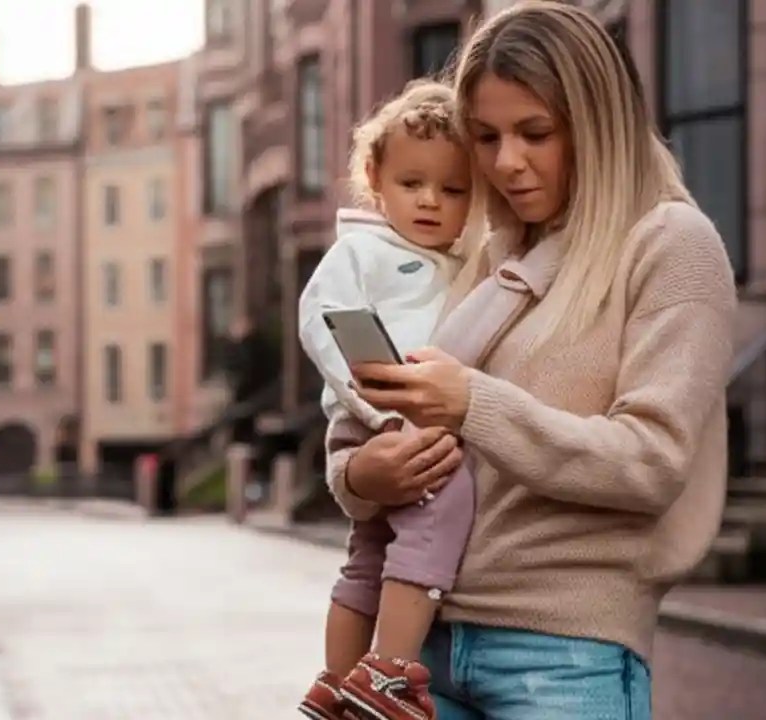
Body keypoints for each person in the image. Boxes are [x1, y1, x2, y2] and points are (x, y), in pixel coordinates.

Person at [325, 2, 738, 718]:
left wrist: (472, 404)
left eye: (535, 133)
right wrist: (361, 474)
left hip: (561, 659)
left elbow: (652, 460)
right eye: (484, 137)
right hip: (424, 657)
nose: (505, 162)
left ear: (597, 122)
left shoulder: (671, 245)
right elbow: (402, 438)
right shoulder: (488, 252)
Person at [295, 80, 481, 720]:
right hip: (380, 422)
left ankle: (338, 685)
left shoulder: (457, 262)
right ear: (375, 177)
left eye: (453, 190)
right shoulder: (364, 251)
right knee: (446, 501)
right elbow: (327, 322)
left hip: (396, 422)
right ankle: (390, 674)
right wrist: (383, 413)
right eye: (413, 183)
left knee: (370, 555)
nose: (431, 202)